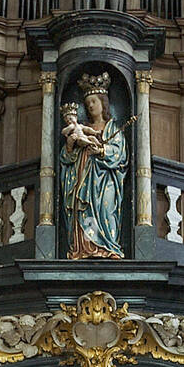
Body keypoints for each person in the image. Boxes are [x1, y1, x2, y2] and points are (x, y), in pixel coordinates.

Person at [59, 72, 128, 260]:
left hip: (105, 179)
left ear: (103, 103)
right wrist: (71, 145)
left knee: (106, 208)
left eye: (94, 101)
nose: (90, 105)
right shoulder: (81, 128)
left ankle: (106, 245)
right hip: (83, 174)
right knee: (83, 207)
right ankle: (84, 247)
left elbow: (120, 154)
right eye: (88, 102)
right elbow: (66, 159)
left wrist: (102, 151)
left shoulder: (113, 128)